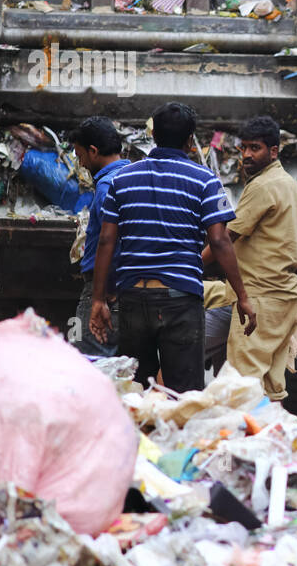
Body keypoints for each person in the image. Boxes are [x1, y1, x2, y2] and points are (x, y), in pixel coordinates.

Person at [91, 102, 256, 393]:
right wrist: (242, 295)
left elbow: (106, 241)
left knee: (134, 392)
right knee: (183, 396)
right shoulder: (205, 181)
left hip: (133, 299)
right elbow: (219, 241)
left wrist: (98, 300)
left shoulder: (121, 180)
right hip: (180, 302)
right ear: (190, 141)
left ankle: (139, 440)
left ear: (153, 136)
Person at [200, 116, 297, 402]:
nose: (246, 155)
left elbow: (224, 240)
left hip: (260, 299)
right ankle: (269, 443)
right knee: (270, 387)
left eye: (254, 148)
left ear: (273, 151)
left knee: (243, 388)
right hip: (283, 298)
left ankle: (248, 444)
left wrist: (192, 267)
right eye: (243, 148)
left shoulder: (262, 187)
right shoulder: (286, 182)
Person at [70, 116, 129, 356]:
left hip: (104, 292)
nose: (81, 163)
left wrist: (102, 295)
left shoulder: (107, 186)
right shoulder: (131, 177)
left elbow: (111, 241)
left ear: (93, 151)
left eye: (80, 155)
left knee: (89, 361)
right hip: (125, 291)